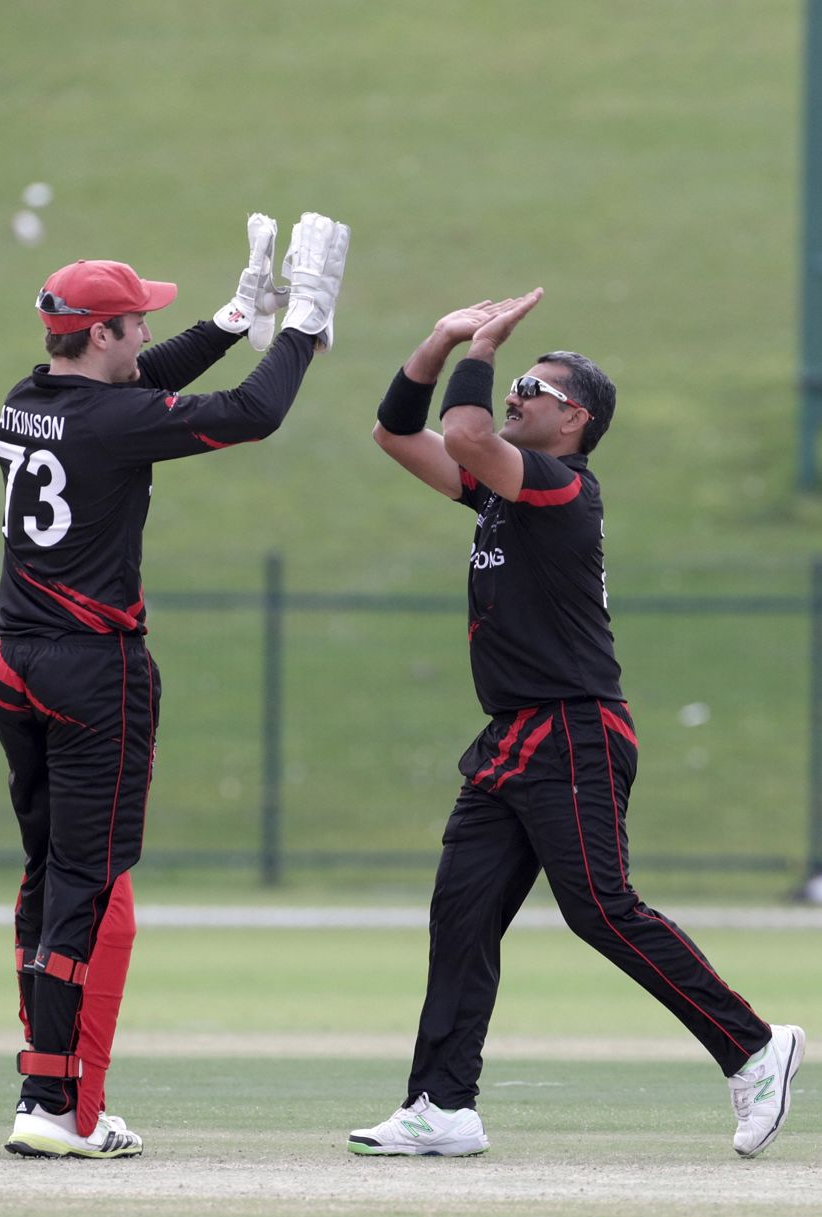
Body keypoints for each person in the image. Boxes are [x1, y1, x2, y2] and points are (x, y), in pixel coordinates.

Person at [347, 291, 804, 1160]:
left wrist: (483, 347)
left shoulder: (560, 488)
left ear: (575, 419)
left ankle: (752, 1048)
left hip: (573, 730)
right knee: (463, 913)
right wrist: (440, 343)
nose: (514, 395)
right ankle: (443, 1104)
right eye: (511, 382)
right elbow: (397, 434)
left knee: (600, 908)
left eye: (532, 387)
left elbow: (473, 436)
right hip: (511, 738)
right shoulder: (501, 494)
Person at [0, 211, 350, 1160]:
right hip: (89, 669)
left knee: (46, 878)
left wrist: (234, 321)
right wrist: (304, 326)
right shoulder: (108, 423)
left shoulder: (27, 400)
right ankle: (51, 1100)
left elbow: (135, 388)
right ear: (98, 332)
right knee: (88, 886)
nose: (148, 329)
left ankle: (45, 1081)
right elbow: (252, 415)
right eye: (136, 319)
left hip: (14, 663)